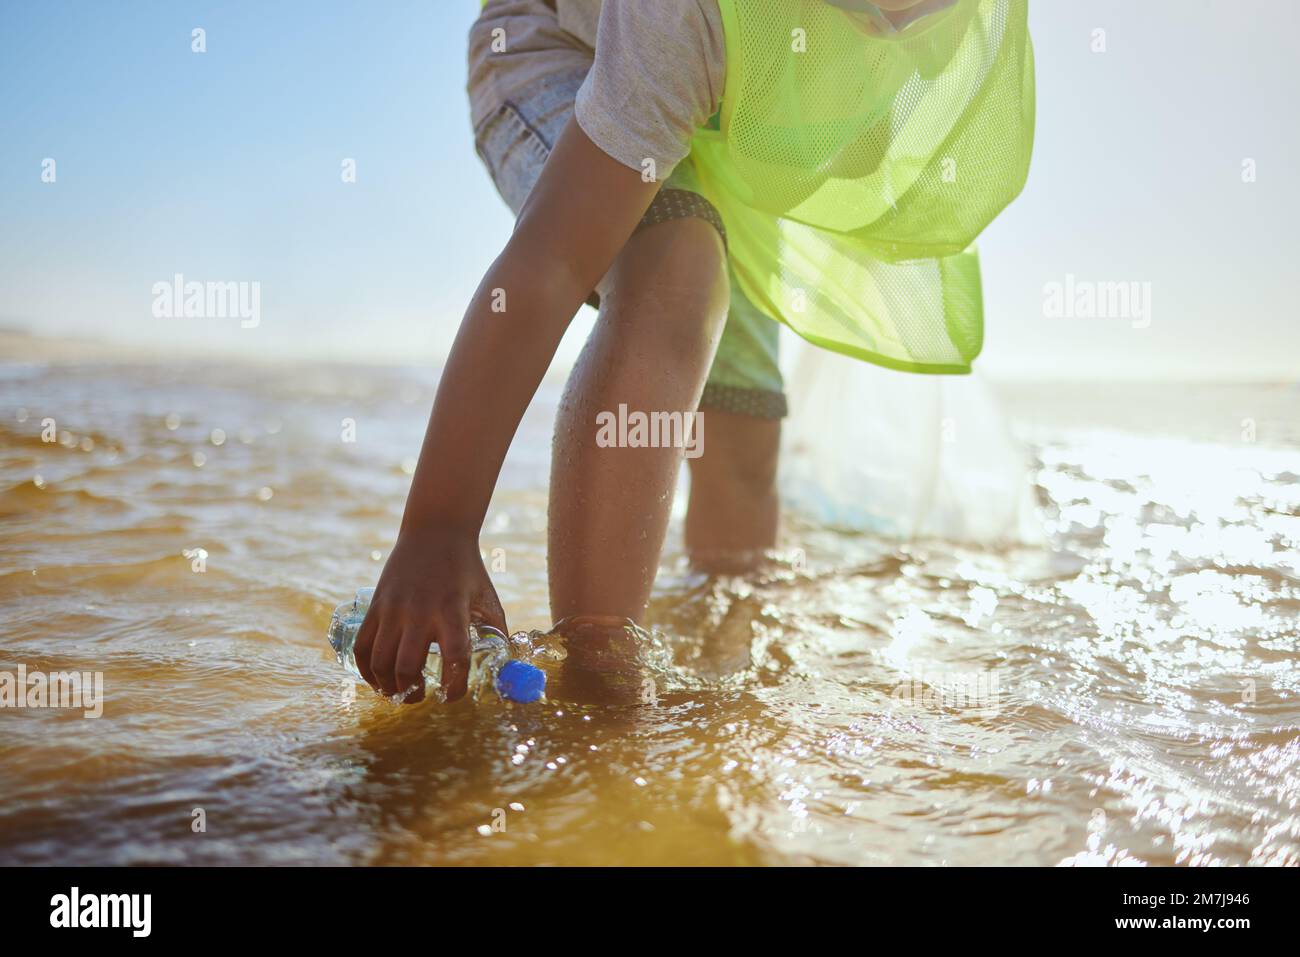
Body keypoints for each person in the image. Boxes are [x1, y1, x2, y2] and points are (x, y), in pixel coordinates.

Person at [352, 0, 1034, 702]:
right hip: (557, 51)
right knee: (676, 265)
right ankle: (599, 677)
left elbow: (854, 140)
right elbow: (551, 263)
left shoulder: (956, 25)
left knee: (743, 436)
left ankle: (725, 674)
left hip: (722, 131)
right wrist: (440, 527)